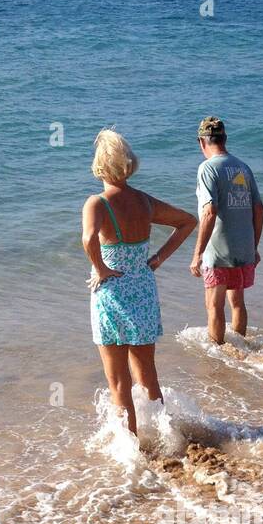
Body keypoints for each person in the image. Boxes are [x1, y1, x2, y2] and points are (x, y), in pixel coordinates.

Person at [83, 129, 197, 436]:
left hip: (112, 294)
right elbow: (188, 221)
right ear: (128, 164)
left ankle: (130, 450)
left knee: (118, 381)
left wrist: (101, 268)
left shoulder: (97, 203)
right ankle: (165, 435)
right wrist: (157, 259)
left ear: (99, 166)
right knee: (147, 373)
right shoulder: (145, 202)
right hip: (143, 289)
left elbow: (89, 238)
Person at [190, 116, 263, 346]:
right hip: (243, 247)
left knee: (214, 306)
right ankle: (241, 346)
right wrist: (254, 246)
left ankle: (218, 358)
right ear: (225, 138)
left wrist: (197, 254)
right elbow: (259, 209)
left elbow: (210, 211)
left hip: (218, 250)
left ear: (202, 141)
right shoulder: (242, 167)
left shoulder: (207, 168)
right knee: (238, 303)